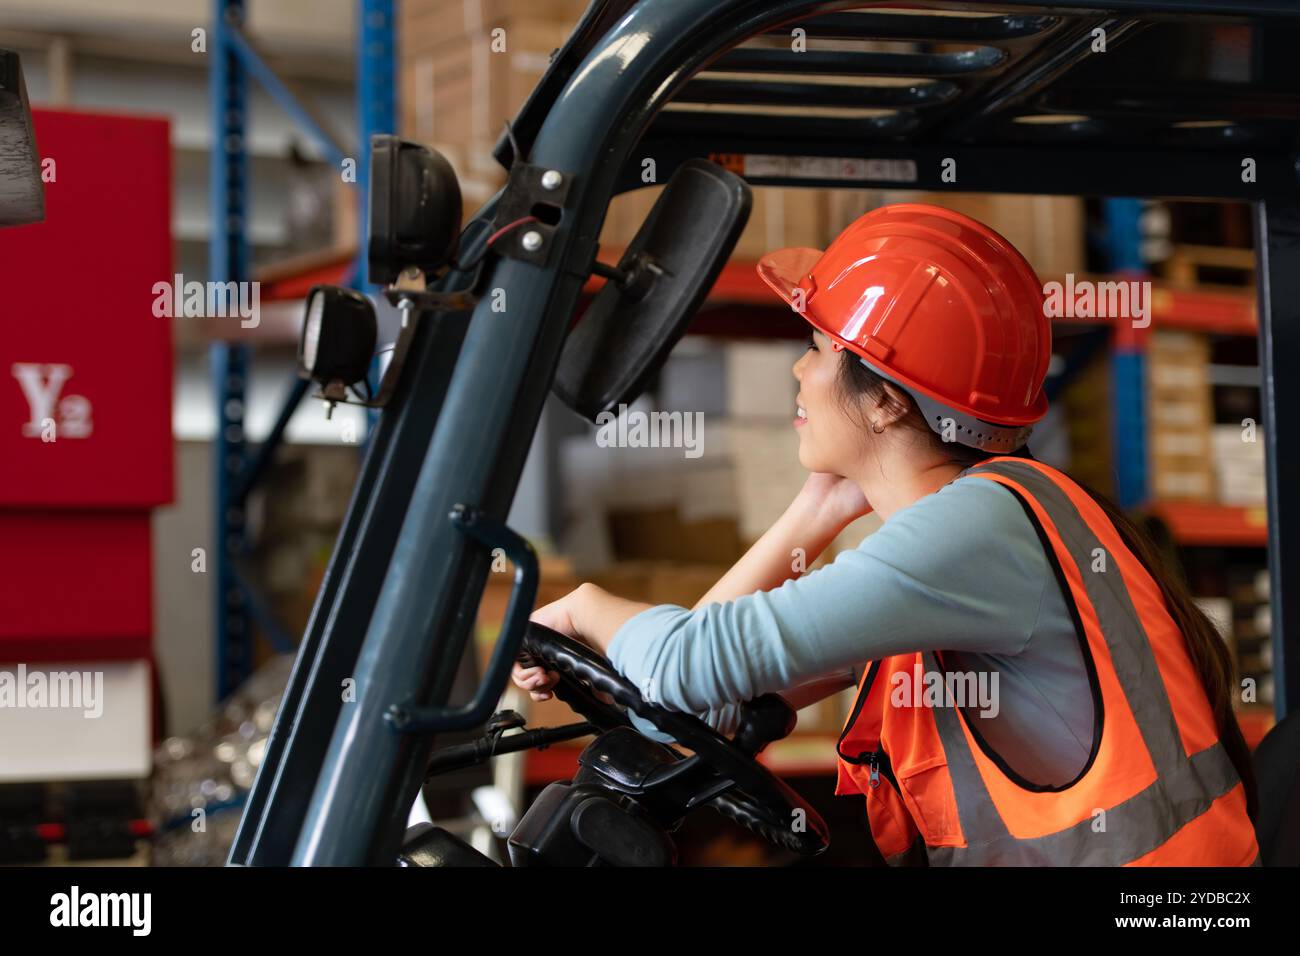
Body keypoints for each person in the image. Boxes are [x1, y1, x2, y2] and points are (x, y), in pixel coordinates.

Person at [511, 203, 1260, 866]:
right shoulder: (957, 535)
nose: (800, 370)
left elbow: (685, 664)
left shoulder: (977, 531)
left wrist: (581, 608)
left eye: (821, 347)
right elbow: (684, 707)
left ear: (888, 405)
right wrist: (815, 511)